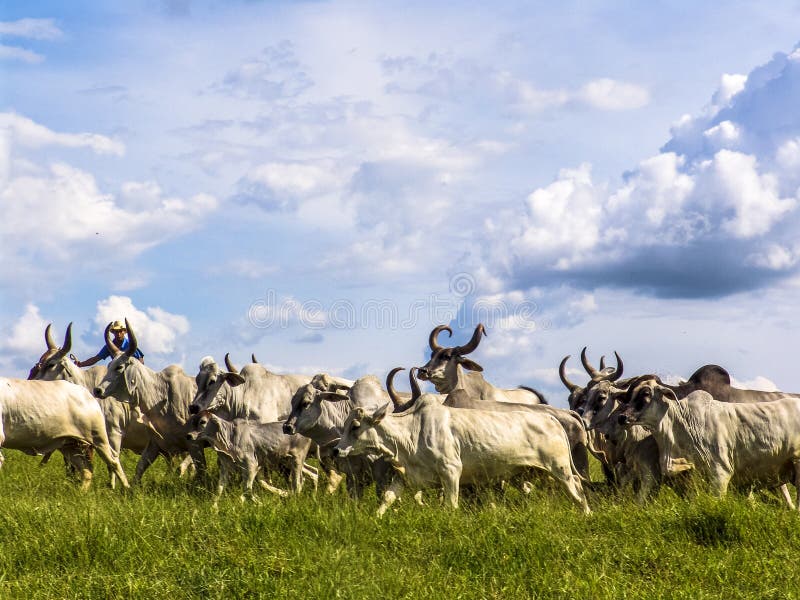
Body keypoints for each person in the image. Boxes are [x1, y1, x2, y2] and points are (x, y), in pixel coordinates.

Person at [75, 320, 144, 367]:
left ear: (124, 332)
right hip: (117, 373)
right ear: (113, 332)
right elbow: (96, 358)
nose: (118, 334)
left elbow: (140, 359)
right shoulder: (110, 346)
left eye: (120, 331)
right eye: (116, 332)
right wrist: (81, 364)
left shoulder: (129, 345)